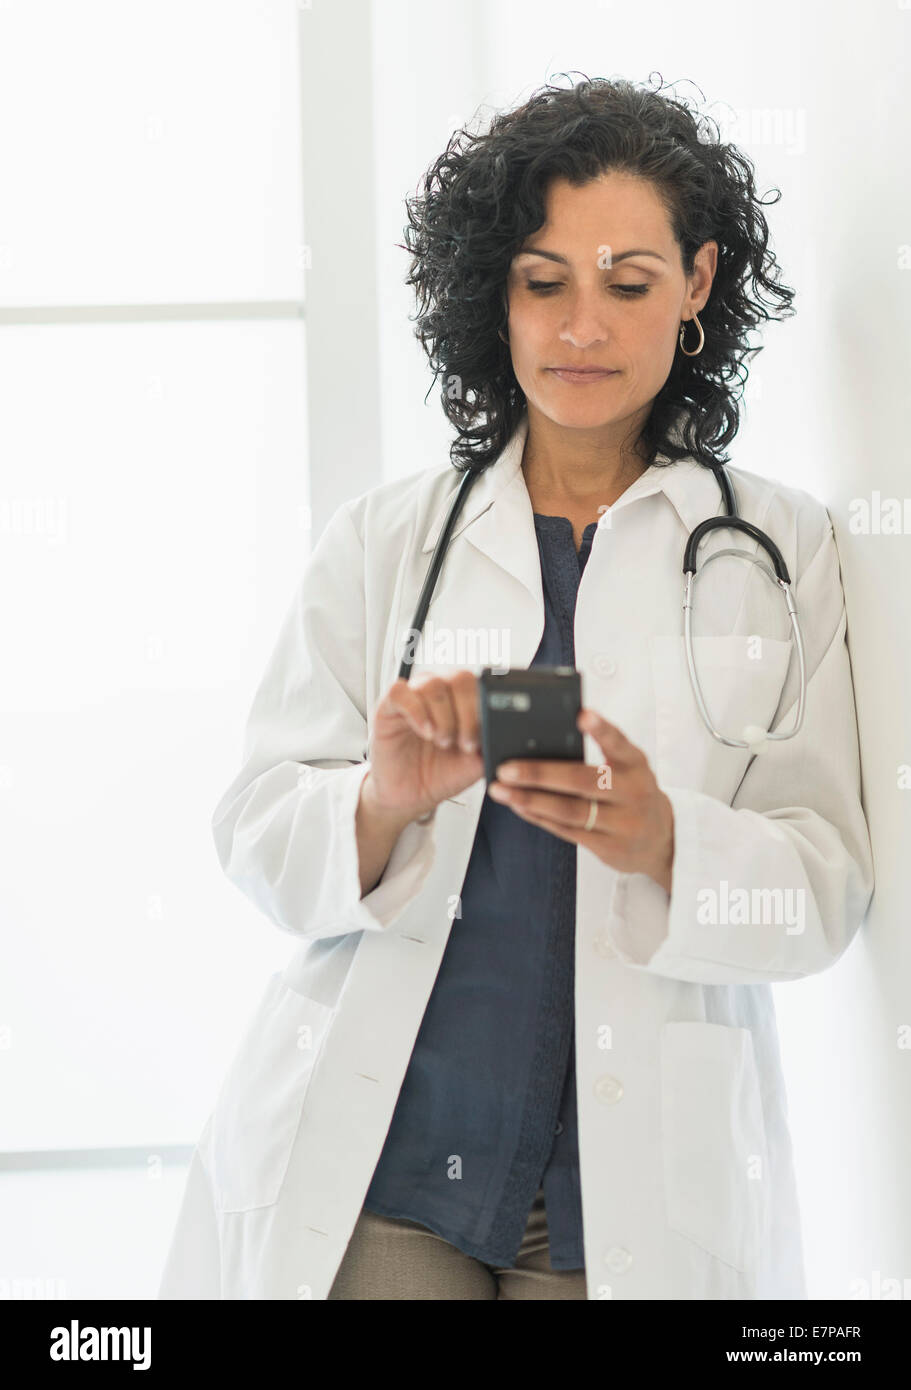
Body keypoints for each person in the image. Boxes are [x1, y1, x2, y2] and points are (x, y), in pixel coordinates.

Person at [158, 74, 874, 1302]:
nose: (580, 327)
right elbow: (256, 827)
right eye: (543, 282)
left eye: (627, 283)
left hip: (628, 1193)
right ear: (492, 291)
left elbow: (825, 884)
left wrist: (668, 842)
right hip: (386, 1164)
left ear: (697, 283)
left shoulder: (780, 547)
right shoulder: (387, 541)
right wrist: (376, 805)